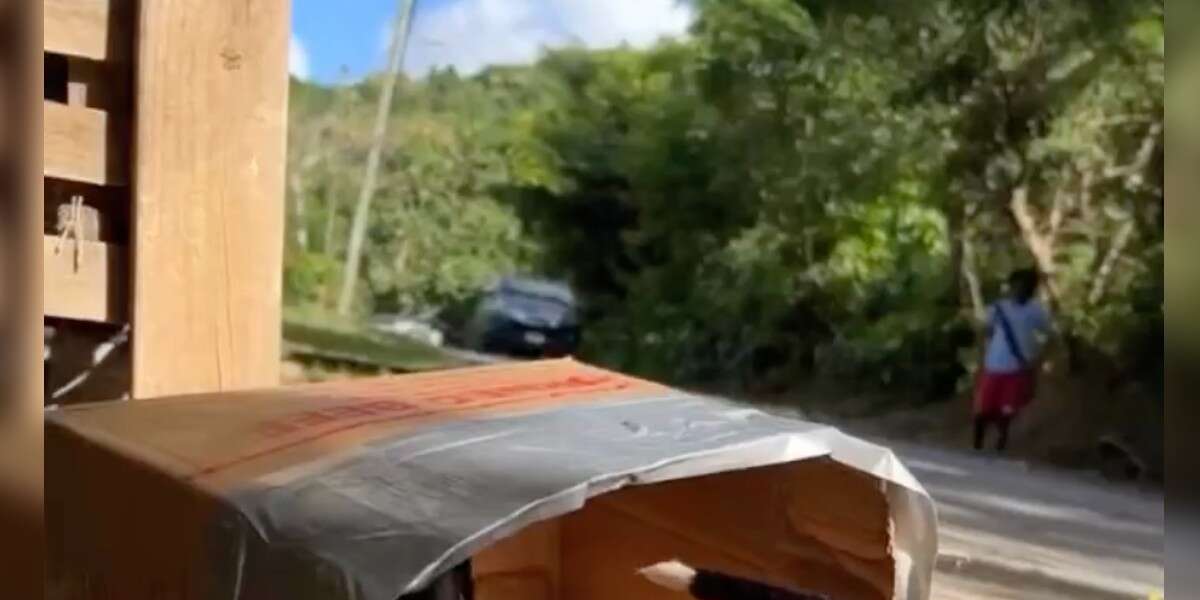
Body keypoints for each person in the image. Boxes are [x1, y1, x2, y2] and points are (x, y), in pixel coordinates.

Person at [973, 268, 1051, 453]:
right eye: (1016, 285)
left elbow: (1050, 334)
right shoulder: (999, 308)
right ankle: (976, 445)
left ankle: (1001, 444)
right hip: (993, 365)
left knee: (1006, 411)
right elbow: (985, 331)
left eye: (1024, 286)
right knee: (983, 409)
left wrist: (1038, 356)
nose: (1019, 289)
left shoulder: (1036, 311)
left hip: (1016, 368)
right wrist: (982, 355)